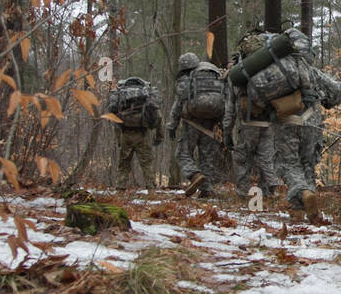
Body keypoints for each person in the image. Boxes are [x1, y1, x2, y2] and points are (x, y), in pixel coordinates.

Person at [274, 55, 341, 223]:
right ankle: (304, 206)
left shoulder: (276, 71)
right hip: (312, 121)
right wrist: (325, 100)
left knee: (288, 164)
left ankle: (302, 195)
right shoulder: (312, 72)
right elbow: (336, 91)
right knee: (308, 164)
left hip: (286, 122)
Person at [222, 48, 282, 201]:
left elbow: (230, 108)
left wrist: (227, 132)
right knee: (266, 158)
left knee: (243, 158)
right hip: (268, 123)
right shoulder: (267, 72)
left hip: (248, 123)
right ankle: (269, 189)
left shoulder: (236, 77)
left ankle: (243, 192)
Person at [166, 51, 227, 198]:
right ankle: (207, 189)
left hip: (191, 122)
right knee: (207, 157)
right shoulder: (215, 74)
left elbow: (179, 103)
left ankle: (194, 175)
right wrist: (224, 125)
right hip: (212, 122)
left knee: (182, 152)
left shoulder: (187, 79)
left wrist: (172, 125)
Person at [107, 76, 162, 190]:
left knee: (124, 164)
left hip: (125, 133)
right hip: (143, 134)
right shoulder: (146, 93)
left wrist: (119, 139)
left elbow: (115, 120)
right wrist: (159, 136)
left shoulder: (121, 94)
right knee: (147, 164)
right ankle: (151, 190)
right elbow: (158, 118)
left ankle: (120, 189)